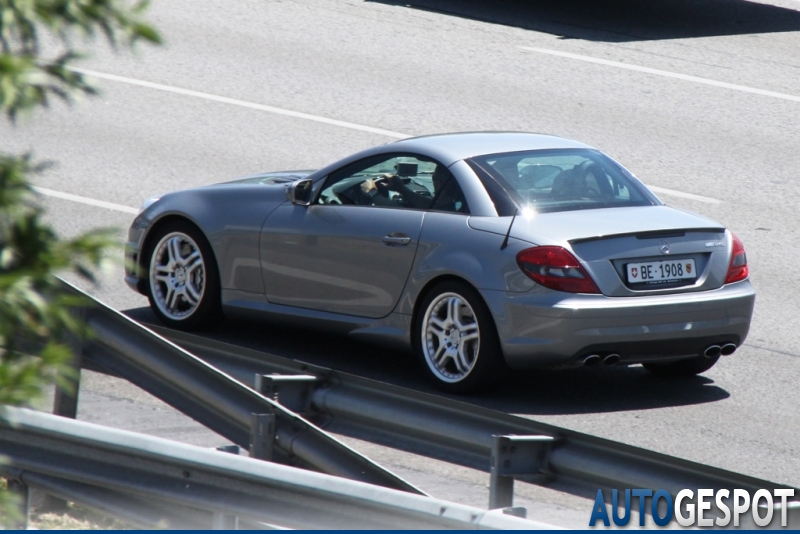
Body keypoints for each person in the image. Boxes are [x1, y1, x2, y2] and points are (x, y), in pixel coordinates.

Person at [360, 165, 467, 213]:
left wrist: (372, 193)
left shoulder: (450, 213)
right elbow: (433, 206)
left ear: (440, 182)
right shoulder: (461, 203)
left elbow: (402, 214)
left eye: (434, 177)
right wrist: (401, 189)